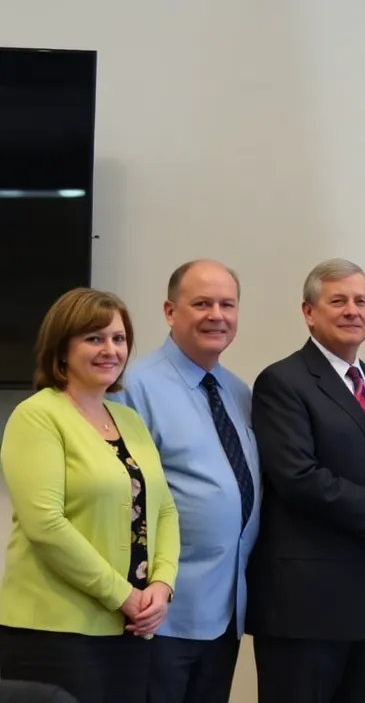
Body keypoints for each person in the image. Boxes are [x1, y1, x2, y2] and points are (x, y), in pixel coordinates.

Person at [246, 259, 365, 703]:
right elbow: (298, 476)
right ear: (309, 312)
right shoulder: (283, 381)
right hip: (306, 610)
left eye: (361, 301)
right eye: (338, 301)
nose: (353, 310)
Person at [0, 288, 180, 703]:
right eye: (94, 338)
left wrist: (162, 584)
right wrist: (124, 595)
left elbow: (164, 509)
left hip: (130, 631)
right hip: (54, 633)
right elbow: (46, 525)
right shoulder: (38, 416)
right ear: (61, 349)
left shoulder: (129, 419)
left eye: (118, 339)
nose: (110, 350)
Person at [111, 260, 260, 703]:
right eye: (201, 303)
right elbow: (123, 500)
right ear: (170, 312)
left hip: (226, 607)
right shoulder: (131, 386)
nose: (217, 315)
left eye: (227, 304)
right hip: (161, 613)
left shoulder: (237, 391)